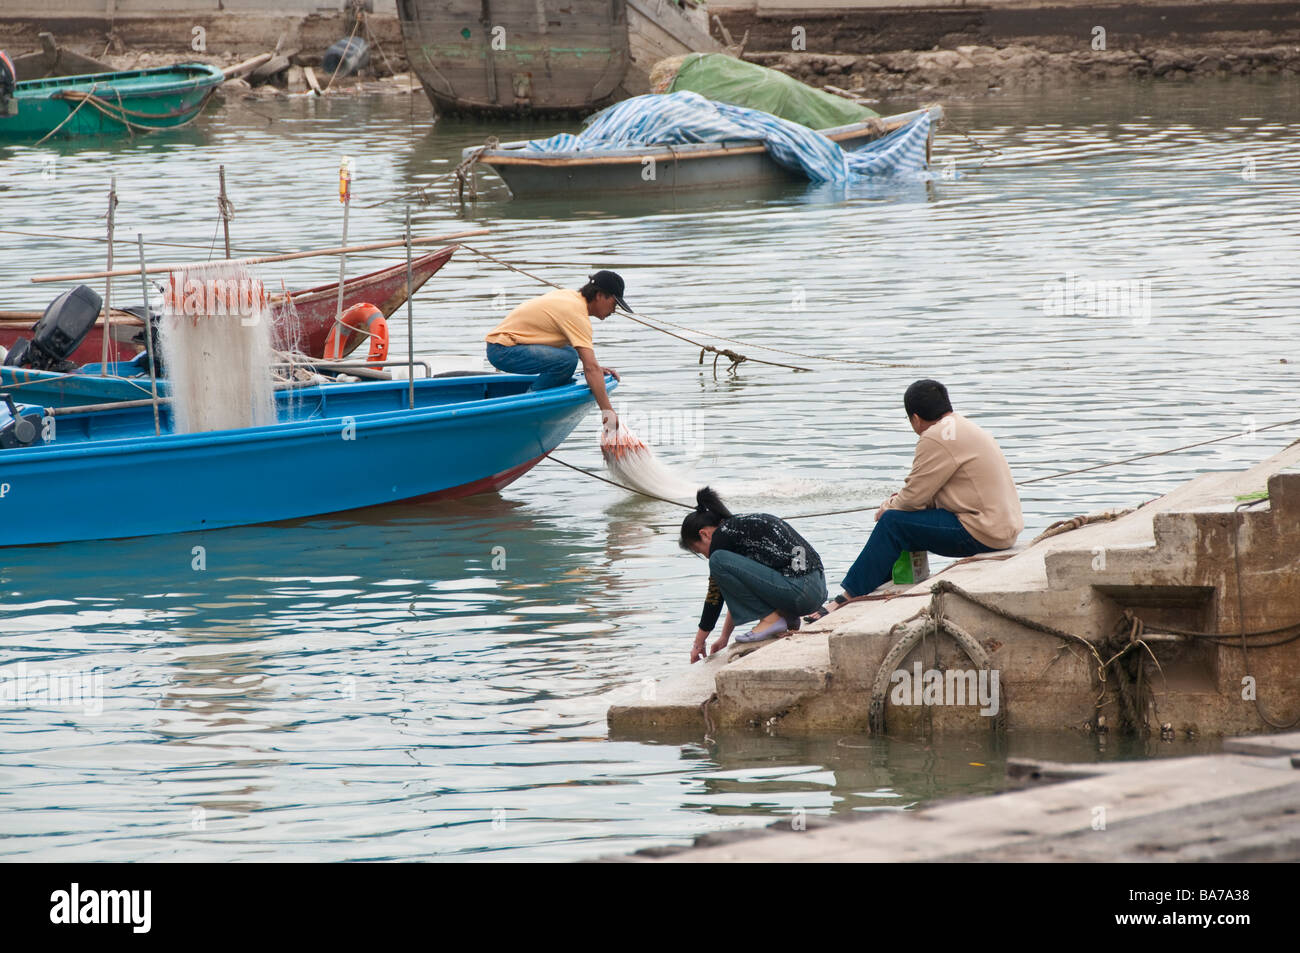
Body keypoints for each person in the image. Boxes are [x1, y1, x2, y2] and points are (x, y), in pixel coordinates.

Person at [808, 379, 1023, 620]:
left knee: (893, 522)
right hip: (1001, 528)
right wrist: (899, 501)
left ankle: (847, 597)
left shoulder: (935, 436)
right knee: (900, 517)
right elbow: (926, 494)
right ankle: (880, 579)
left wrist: (887, 507)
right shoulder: (962, 427)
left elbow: (913, 499)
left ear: (916, 418)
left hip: (982, 532)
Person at [680, 487, 828, 663]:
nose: (706, 556)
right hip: (815, 591)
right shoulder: (741, 527)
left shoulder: (722, 537)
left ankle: (772, 620)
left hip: (800, 591)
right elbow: (739, 590)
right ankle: (785, 618)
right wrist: (724, 637)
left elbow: (715, 596)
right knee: (722, 563)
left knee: (717, 560)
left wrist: (698, 643)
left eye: (700, 550)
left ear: (704, 534)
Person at [485, 271, 625, 430]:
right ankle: (527, 408)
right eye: (614, 304)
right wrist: (608, 412)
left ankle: (531, 401)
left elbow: (588, 363)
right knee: (568, 360)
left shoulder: (571, 297)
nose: (614, 311)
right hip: (503, 350)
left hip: (502, 347)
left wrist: (596, 370)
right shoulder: (576, 313)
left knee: (570, 356)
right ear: (600, 295)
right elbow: (589, 367)